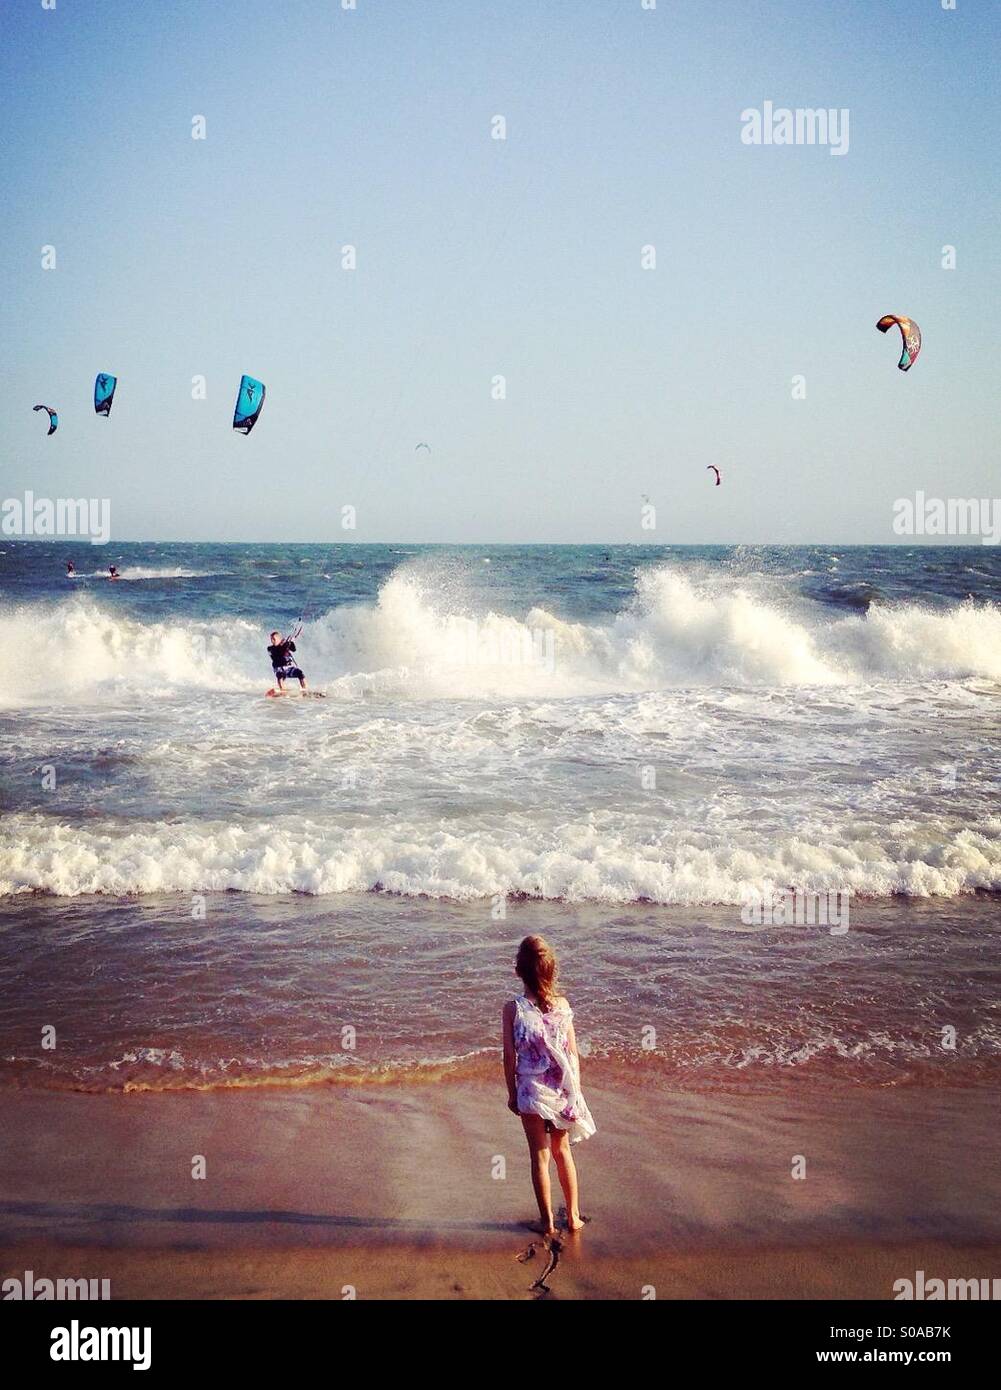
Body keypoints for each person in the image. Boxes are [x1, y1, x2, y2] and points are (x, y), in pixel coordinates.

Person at [503, 935, 595, 1236]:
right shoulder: (563, 1005)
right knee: (562, 1151)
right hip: (559, 1091)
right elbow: (571, 1053)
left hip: (530, 1091)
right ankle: (573, 1217)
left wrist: (512, 1094)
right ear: (551, 970)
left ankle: (547, 1223)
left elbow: (509, 1055)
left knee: (539, 1157)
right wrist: (575, 1093)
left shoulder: (513, 1009)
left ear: (518, 971)